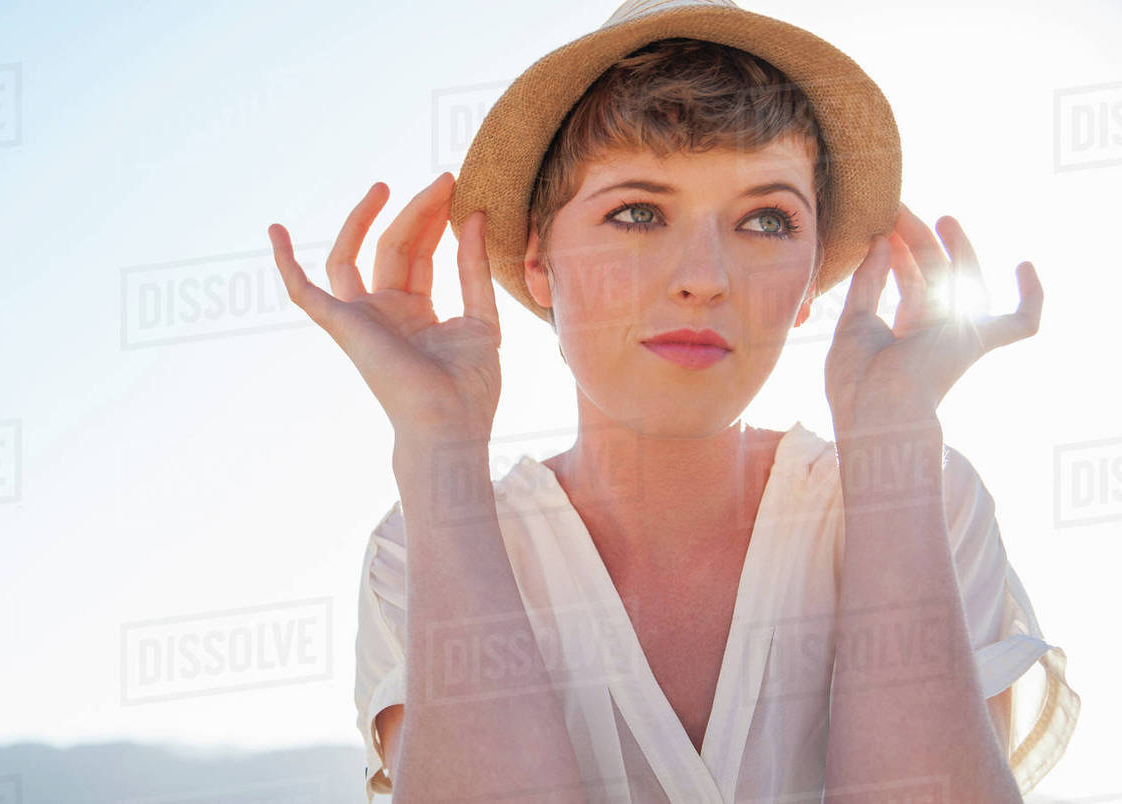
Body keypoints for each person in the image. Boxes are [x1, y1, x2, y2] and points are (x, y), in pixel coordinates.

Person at [269, 1, 1079, 800]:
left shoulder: (925, 500)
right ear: (540, 261)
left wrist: (893, 439)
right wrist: (437, 445)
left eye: (765, 220)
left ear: (810, 284)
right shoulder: (423, 546)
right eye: (637, 212)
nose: (705, 276)